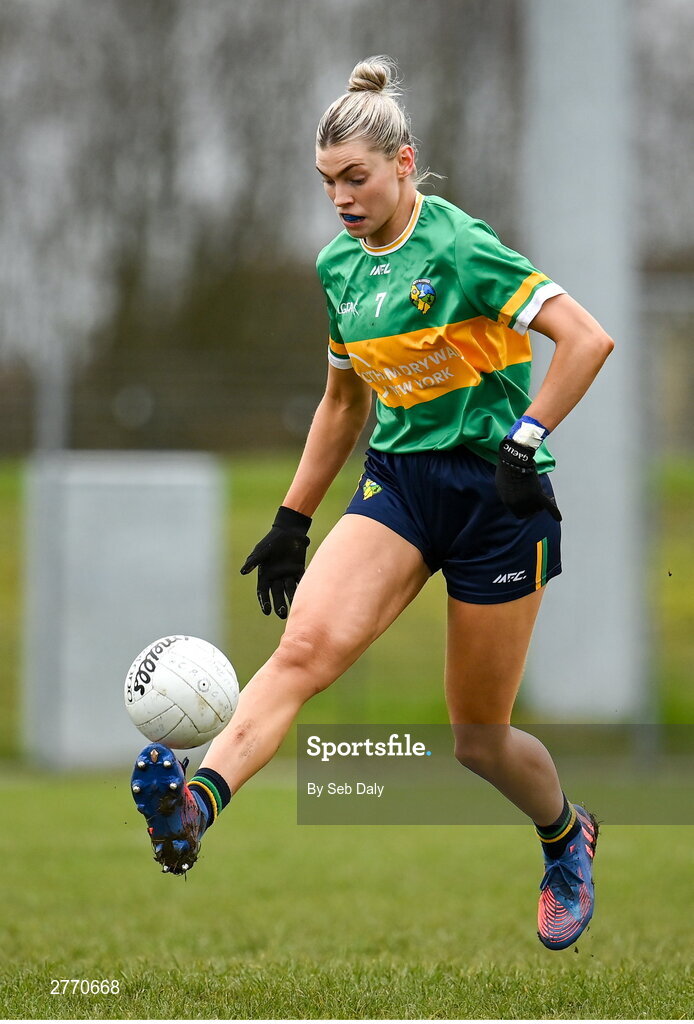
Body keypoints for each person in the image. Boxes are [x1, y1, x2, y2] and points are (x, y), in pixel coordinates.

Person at [131, 55, 613, 951]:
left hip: (495, 497)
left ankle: (565, 836)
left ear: (403, 163)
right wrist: (292, 520)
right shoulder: (340, 269)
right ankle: (194, 810)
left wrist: (529, 434)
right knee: (300, 652)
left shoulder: (463, 248)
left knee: (478, 739)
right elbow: (344, 403)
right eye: (327, 184)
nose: (342, 198)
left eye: (356, 177)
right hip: (399, 487)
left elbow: (587, 339)